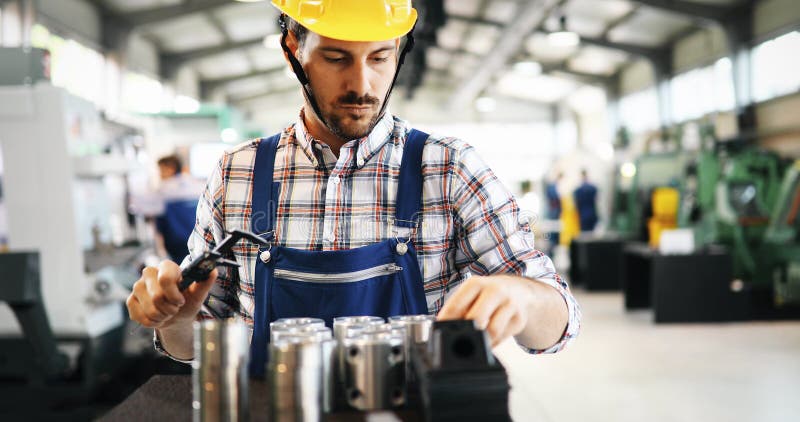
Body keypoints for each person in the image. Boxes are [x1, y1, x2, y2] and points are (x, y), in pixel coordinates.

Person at [126, 0, 580, 373]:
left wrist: (523, 296)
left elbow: (559, 324)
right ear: (293, 49)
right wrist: (176, 321)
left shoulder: (449, 169)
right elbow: (196, 343)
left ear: (400, 50)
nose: (362, 85)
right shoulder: (237, 173)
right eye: (337, 57)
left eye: (380, 57)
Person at [153, 155, 205, 262]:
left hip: (176, 245)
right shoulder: (197, 185)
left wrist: (161, 252)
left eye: (161, 170)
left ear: (171, 168)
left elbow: (159, 226)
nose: (160, 174)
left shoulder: (163, 190)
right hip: (199, 240)